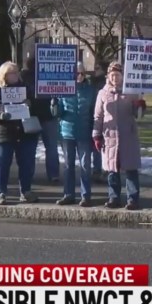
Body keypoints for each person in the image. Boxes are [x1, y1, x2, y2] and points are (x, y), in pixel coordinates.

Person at [0, 61, 39, 205]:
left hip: (24, 132)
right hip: (3, 133)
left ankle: (26, 191)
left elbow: (37, 107)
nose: (15, 75)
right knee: (3, 163)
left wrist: (30, 103)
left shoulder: (25, 89)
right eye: (11, 73)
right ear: (3, 75)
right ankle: (1, 193)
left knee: (26, 163)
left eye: (16, 72)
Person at [92, 61, 146, 210]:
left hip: (128, 136)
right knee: (112, 169)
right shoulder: (103, 93)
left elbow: (138, 115)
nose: (115, 78)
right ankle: (114, 197)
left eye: (117, 75)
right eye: (112, 75)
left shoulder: (131, 92)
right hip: (110, 137)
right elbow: (98, 116)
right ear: (108, 76)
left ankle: (132, 199)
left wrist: (140, 106)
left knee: (130, 168)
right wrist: (96, 135)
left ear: (123, 76)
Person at [55, 63, 97, 207]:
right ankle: (68, 195)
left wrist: (95, 131)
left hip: (85, 132)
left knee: (85, 166)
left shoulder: (91, 91)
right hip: (67, 132)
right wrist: (54, 105)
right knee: (68, 166)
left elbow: (94, 112)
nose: (79, 76)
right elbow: (57, 113)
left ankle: (86, 196)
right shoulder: (62, 90)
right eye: (76, 73)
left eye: (82, 73)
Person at [20, 54, 60, 182]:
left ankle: (29, 174)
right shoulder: (51, 75)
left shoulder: (24, 77)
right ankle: (53, 174)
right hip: (47, 115)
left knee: (31, 147)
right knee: (50, 147)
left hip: (33, 115)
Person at [89, 61, 107, 183]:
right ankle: (98, 169)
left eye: (97, 67)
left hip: (102, 117)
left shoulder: (102, 83)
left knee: (101, 145)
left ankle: (101, 169)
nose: (95, 69)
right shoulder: (92, 82)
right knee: (97, 144)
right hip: (94, 116)